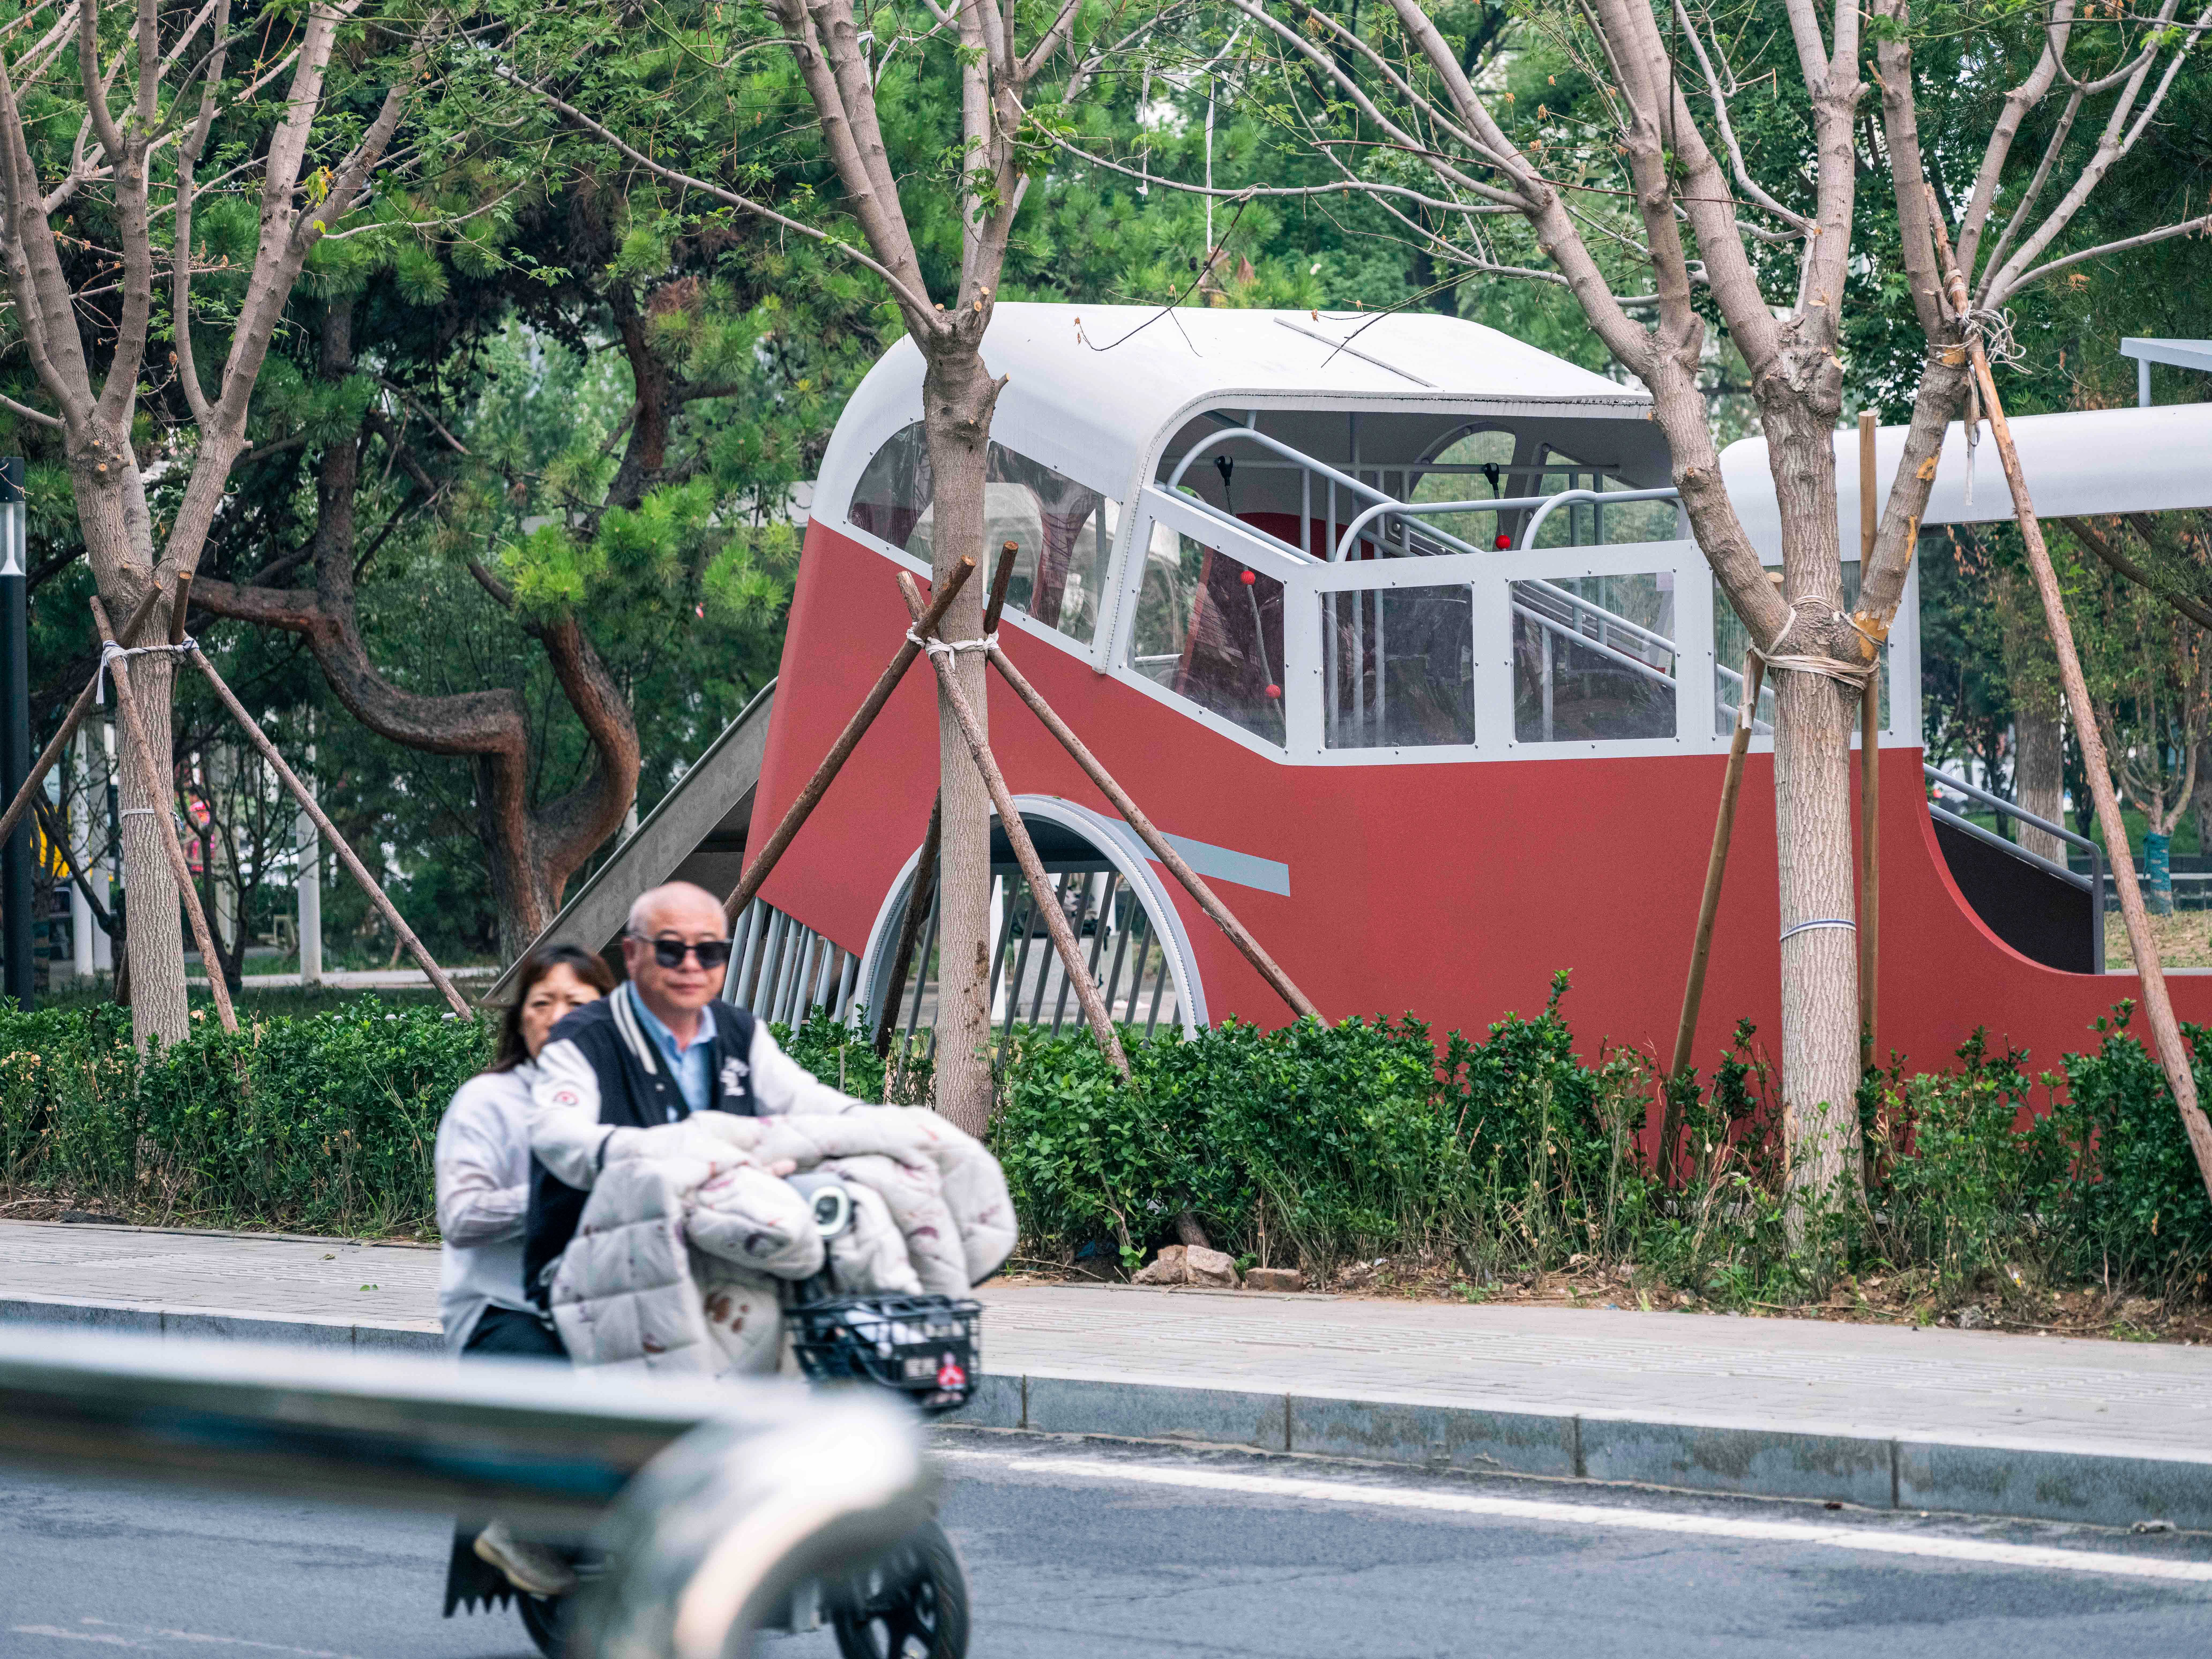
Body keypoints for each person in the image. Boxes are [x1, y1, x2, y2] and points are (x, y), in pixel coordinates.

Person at [524, 880, 857, 1300]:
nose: (691, 965)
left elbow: (810, 1103)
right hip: (595, 1267)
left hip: (722, 1261)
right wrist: (679, 1152)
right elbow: (561, 1136)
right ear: (631, 954)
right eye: (671, 949)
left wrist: (891, 1129)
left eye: (710, 951)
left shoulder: (741, 1032)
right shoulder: (581, 1037)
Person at [435, 943, 614, 1608]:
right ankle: (526, 1528)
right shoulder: (487, 1103)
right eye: (544, 1002)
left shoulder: (622, 1097)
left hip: (603, 1306)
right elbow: (460, 1216)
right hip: (501, 1311)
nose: (560, 1015)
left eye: (578, 1002)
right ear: (521, 1021)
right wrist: (556, 1186)